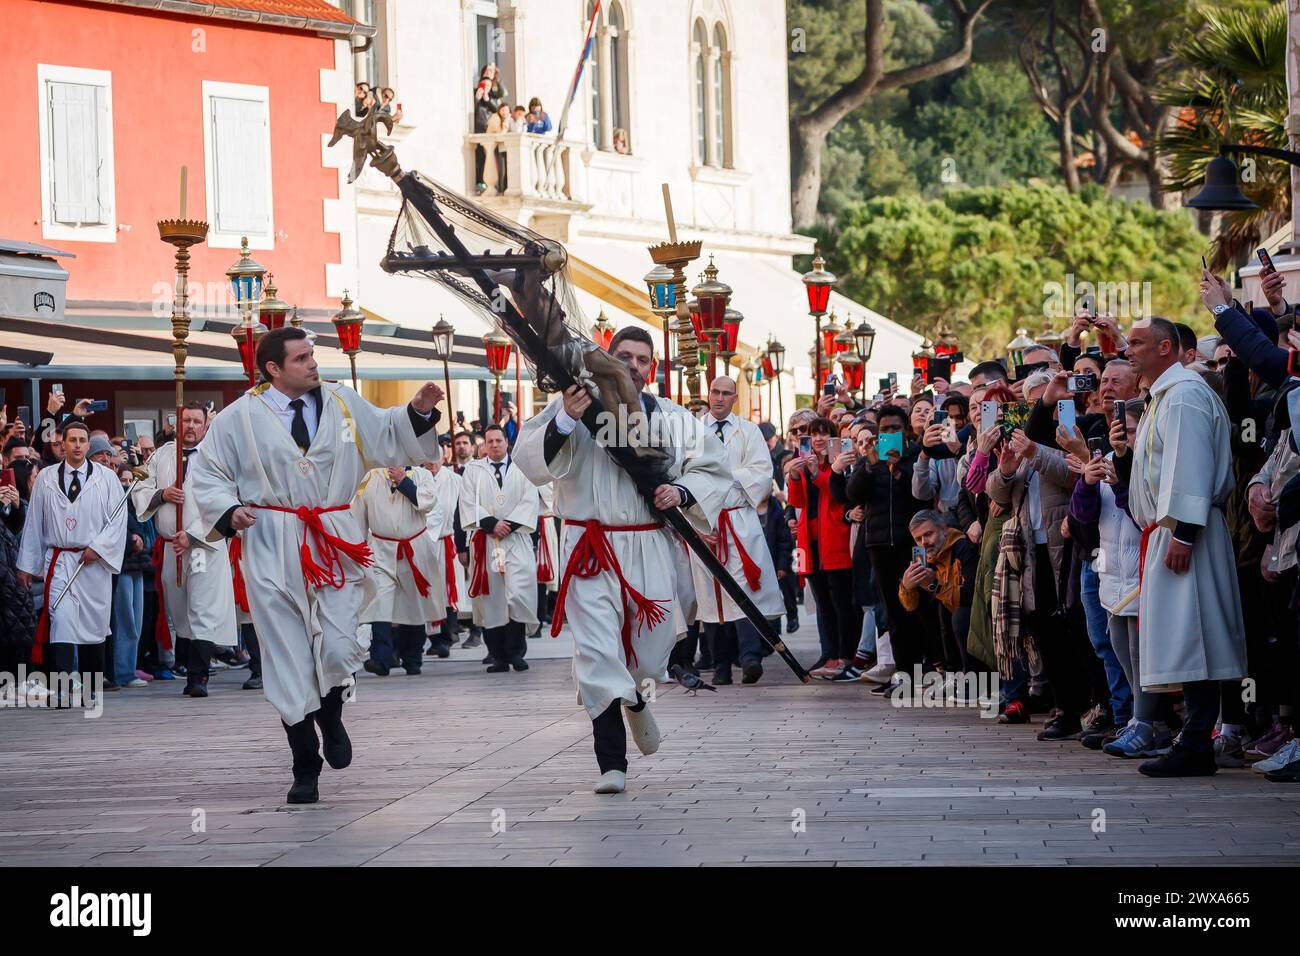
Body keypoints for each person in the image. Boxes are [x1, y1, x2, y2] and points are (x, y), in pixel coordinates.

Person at [188, 326, 443, 804]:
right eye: (301, 358)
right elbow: (206, 472)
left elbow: (389, 434)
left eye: (312, 355)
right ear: (273, 369)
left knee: (339, 642)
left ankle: (330, 712)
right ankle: (304, 763)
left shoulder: (343, 402)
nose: (313, 363)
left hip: (335, 536)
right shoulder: (239, 418)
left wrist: (420, 411)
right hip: (271, 539)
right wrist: (227, 510)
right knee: (286, 654)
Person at [513, 325, 730, 795]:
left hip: (647, 543)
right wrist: (565, 422)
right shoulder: (573, 404)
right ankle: (612, 763)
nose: (633, 366)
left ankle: (634, 694)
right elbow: (530, 459)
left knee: (652, 651)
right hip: (589, 546)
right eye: (625, 356)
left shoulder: (669, 417)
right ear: (607, 359)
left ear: (652, 368)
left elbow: (713, 467)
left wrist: (681, 490)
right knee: (595, 651)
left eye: (643, 359)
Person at [1125, 310, 1247, 776]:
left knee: (1195, 634)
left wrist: (1182, 532)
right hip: (1173, 530)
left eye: (1136, 344)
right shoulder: (1166, 396)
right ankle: (1193, 736)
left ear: (1164, 348)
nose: (1127, 351)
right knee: (1187, 636)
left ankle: (1196, 740)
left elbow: (1190, 467)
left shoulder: (1184, 397)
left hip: (1185, 532)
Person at [132, 402, 238, 698]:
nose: (190, 426)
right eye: (186, 420)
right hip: (171, 547)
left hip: (204, 544)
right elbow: (141, 491)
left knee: (203, 609)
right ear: (176, 424)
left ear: (206, 425)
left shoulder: (218, 457)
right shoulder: (162, 456)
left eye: (196, 421)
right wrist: (162, 494)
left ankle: (198, 676)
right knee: (181, 612)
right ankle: (189, 664)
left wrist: (192, 535)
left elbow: (228, 501)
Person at [17, 420, 126, 704]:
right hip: (61, 559)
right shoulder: (46, 478)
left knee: (94, 625)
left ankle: (91, 686)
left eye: (82, 440)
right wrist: (27, 565)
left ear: (88, 445)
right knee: (61, 621)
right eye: (72, 440)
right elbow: (35, 523)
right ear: (62, 443)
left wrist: (99, 549)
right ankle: (64, 687)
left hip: (93, 563)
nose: (77, 445)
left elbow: (117, 521)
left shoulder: (107, 478)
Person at [690, 377, 784, 685]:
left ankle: (750, 657)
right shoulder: (692, 432)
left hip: (738, 520)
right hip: (705, 521)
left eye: (726, 393)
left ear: (735, 399)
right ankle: (720, 664)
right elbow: (683, 475)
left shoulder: (748, 431)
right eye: (714, 392)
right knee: (711, 595)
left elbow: (761, 472)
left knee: (744, 588)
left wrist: (722, 479)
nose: (719, 398)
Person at [459, 423, 539, 673]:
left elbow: (530, 500)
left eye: (498, 440)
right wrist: (491, 523)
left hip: (516, 539)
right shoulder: (473, 470)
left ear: (507, 442)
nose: (494, 445)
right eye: (490, 441)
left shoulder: (523, 469)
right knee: (492, 601)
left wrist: (510, 524)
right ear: (484, 444)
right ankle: (498, 655)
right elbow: (467, 501)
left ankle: (516, 651)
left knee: (517, 594)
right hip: (487, 541)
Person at [354, 463, 441, 677]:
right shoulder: (370, 476)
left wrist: (404, 481)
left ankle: (413, 658)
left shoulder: (422, 474)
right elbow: (358, 514)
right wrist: (356, 546)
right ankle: (381, 659)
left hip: (414, 547)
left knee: (414, 605)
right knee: (379, 603)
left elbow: (428, 502)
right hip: (381, 549)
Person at [422, 455, 461, 657]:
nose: (431, 461)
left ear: (443, 458)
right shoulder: (418, 478)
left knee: (448, 590)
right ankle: (434, 638)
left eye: (435, 457)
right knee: (429, 590)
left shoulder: (455, 479)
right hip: (423, 542)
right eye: (427, 457)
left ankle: (449, 634)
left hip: (448, 540)